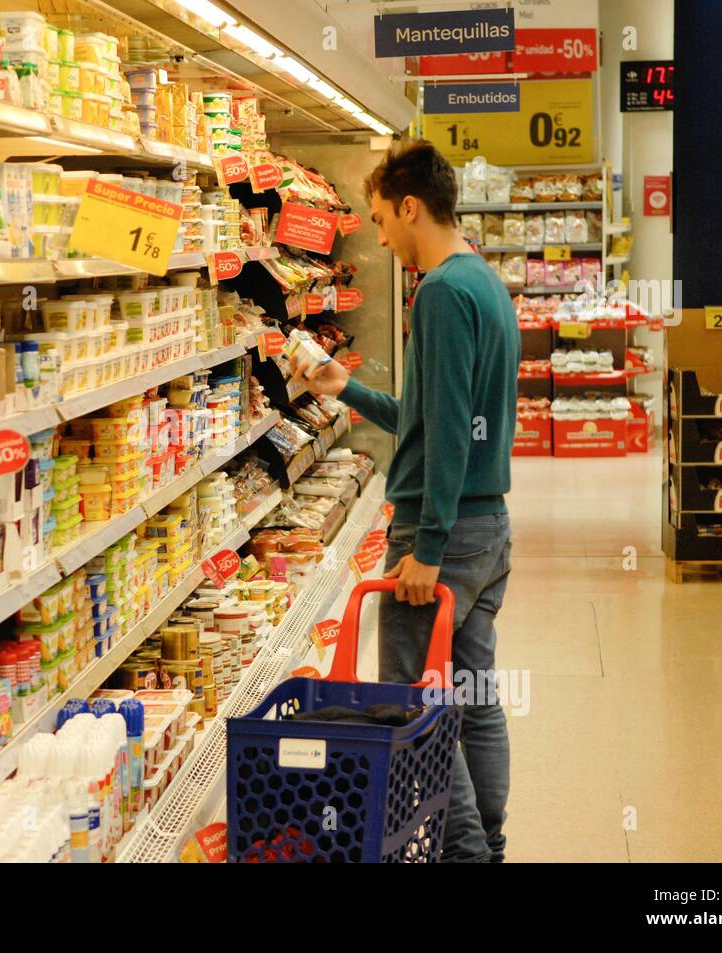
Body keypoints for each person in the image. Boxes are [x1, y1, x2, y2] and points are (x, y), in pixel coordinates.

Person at [291, 138, 519, 863]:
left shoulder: (443, 292)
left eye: (382, 218)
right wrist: (341, 386)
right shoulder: (481, 280)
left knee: (411, 701)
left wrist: (427, 545)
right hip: (487, 529)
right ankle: (491, 840)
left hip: (443, 532)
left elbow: (449, 433)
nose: (380, 236)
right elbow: (427, 415)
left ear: (412, 206)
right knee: (475, 698)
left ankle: (466, 853)